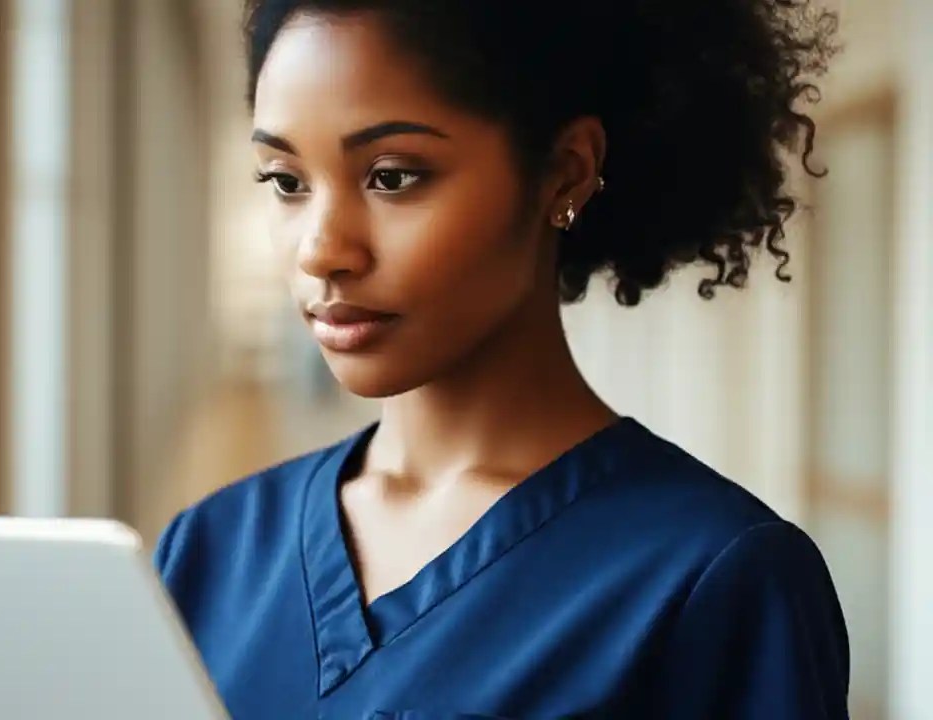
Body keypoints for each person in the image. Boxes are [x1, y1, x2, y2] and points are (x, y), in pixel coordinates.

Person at [154, 1, 848, 717]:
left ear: (565, 173)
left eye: (392, 177)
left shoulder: (712, 577)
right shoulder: (210, 550)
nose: (321, 251)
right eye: (286, 181)